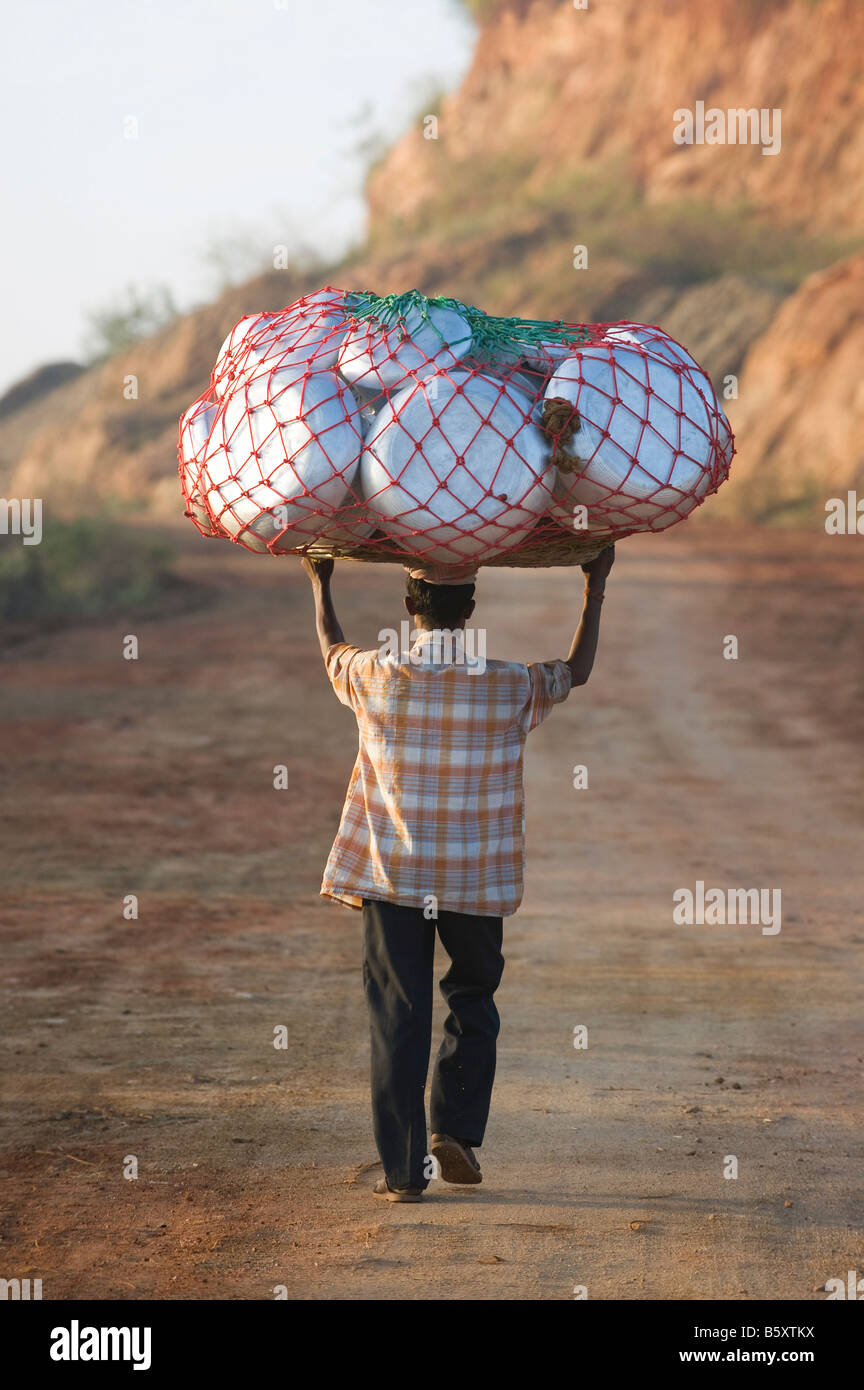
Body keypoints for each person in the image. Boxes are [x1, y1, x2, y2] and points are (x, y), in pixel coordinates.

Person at [302, 545, 615, 1201]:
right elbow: (577, 671)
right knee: (472, 1001)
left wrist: (320, 583)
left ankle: (402, 1172)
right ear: (470, 609)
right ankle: (456, 1129)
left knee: (400, 1014)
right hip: (475, 882)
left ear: (407, 607)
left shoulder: (374, 675)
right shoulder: (506, 684)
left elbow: (331, 648)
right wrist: (596, 585)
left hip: (392, 878)